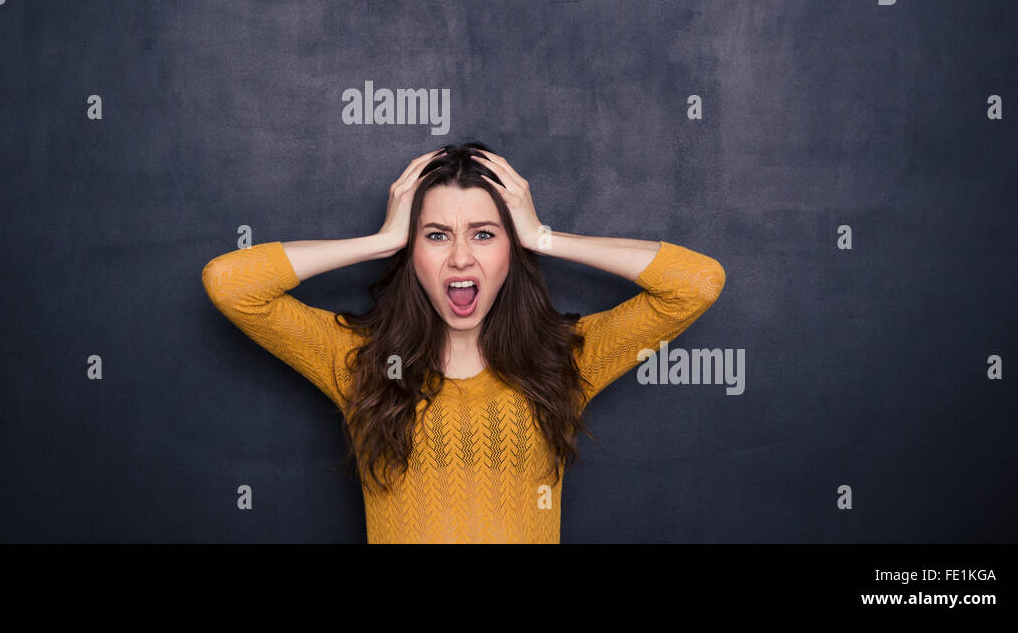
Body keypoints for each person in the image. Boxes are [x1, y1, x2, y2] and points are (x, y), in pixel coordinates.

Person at [201, 140, 726, 542]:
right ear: (413, 252)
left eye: (483, 233)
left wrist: (542, 236)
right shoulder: (357, 361)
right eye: (435, 235)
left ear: (510, 250)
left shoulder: (564, 359)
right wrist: (382, 240)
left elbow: (697, 284)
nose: (459, 258)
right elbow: (231, 285)